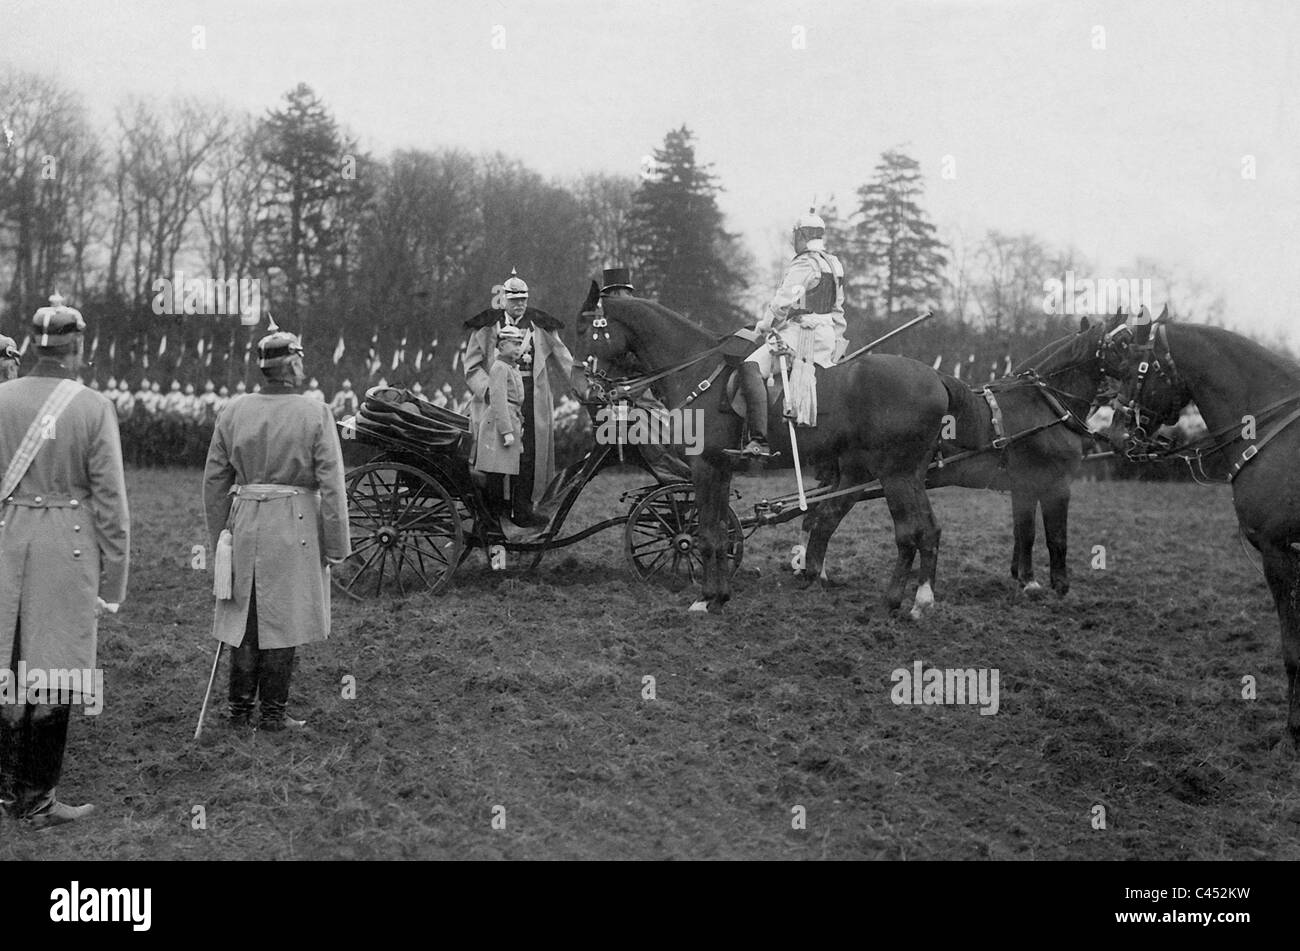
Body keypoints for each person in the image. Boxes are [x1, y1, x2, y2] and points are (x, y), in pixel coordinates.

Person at [0, 292, 130, 828]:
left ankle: (7, 794)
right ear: (77, 348)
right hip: (67, 548)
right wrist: (114, 581)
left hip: (6, 540)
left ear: (33, 344)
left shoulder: (1, 398)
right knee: (53, 673)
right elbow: (112, 506)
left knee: (7, 671)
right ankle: (38, 801)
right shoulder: (93, 406)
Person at [203, 329, 349, 733]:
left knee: (244, 619)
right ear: (294, 365)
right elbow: (333, 484)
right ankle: (271, 715)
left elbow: (214, 482)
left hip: (245, 521)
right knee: (283, 619)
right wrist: (336, 544)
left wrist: (220, 539)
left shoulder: (232, 410)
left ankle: (238, 713)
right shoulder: (316, 412)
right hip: (295, 524)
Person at [463, 268, 574, 526]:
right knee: (496, 455)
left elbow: (564, 359)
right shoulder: (488, 326)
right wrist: (487, 390)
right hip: (496, 399)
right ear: (504, 299)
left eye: (523, 299)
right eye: (514, 300)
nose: (519, 305)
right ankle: (494, 510)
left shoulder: (539, 326)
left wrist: (586, 386)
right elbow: (471, 367)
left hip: (532, 400)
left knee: (528, 455)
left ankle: (522, 509)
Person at [739, 209, 847, 456]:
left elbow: (782, 304)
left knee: (751, 367)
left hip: (800, 336)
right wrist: (838, 342)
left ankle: (759, 440)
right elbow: (838, 309)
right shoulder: (835, 264)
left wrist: (764, 327)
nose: (792, 242)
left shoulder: (804, 263)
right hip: (826, 337)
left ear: (802, 235)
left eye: (795, 236)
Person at [594, 267, 692, 480]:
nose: (631, 297)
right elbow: (613, 354)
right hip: (618, 385)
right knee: (653, 414)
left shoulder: (625, 319)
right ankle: (664, 463)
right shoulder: (606, 322)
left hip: (635, 383)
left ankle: (673, 459)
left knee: (665, 412)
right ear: (615, 294)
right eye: (626, 293)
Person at [473, 324, 526, 521]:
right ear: (502, 346)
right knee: (496, 474)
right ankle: (493, 517)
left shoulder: (511, 367)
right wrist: (507, 431)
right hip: (497, 426)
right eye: (514, 344)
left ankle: (502, 515)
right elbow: (498, 401)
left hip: (511, 419)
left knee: (506, 472)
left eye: (520, 343)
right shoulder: (499, 368)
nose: (518, 348)